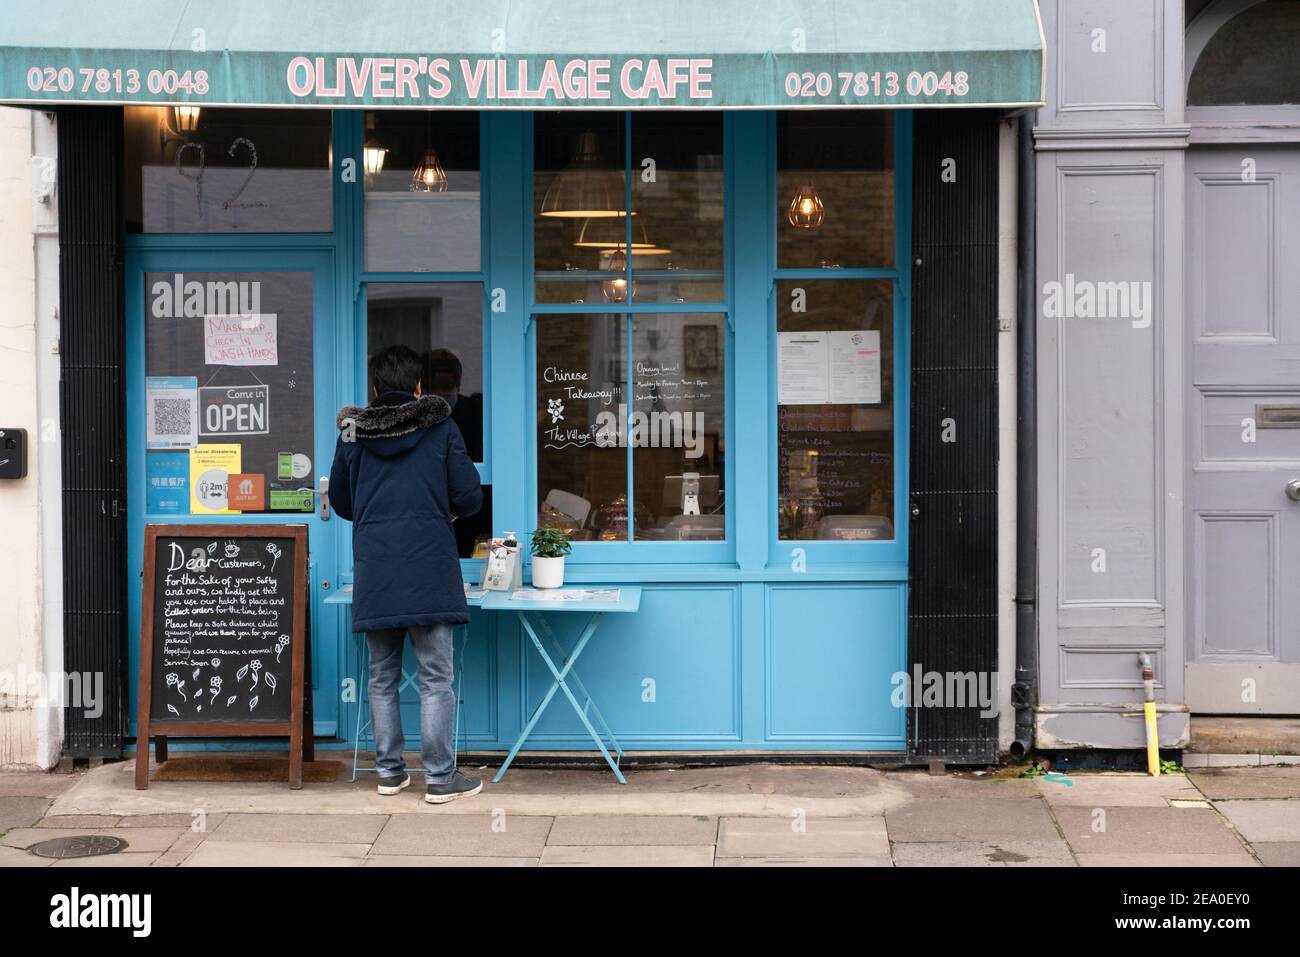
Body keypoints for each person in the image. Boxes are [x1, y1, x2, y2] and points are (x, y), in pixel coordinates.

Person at [329, 344, 484, 804]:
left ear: (374, 389)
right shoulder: (441, 428)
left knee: (381, 676)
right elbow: (470, 497)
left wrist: (376, 515)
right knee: (437, 677)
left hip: (377, 571)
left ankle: (389, 774)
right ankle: (439, 779)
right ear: (419, 388)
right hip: (430, 567)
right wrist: (444, 513)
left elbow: (340, 501)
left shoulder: (352, 435)